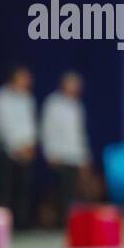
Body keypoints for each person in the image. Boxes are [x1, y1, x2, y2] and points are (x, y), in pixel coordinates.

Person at [39, 71, 90, 226]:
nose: (74, 88)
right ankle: (59, 225)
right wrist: (49, 152)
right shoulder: (53, 103)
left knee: (72, 191)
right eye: (71, 84)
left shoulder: (77, 105)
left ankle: (69, 225)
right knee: (59, 193)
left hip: (75, 156)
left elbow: (80, 133)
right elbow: (47, 129)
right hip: (59, 155)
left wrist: (85, 157)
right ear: (63, 84)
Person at [0, 66, 37, 230]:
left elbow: (30, 124)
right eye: (23, 78)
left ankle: (22, 225)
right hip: (8, 152)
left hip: (26, 151)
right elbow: (2, 127)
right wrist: (17, 147)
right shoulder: (1, 98)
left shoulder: (27, 98)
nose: (27, 81)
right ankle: (3, 227)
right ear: (13, 79)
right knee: (6, 191)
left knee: (23, 191)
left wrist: (30, 146)